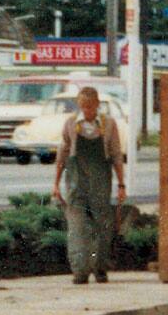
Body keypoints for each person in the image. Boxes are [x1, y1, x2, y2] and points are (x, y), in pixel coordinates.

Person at [51, 84, 128, 284]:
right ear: (79, 105)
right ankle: (80, 271)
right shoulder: (70, 124)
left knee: (102, 227)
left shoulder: (109, 124)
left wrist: (121, 184)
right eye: (84, 107)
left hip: (100, 183)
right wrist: (56, 183)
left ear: (97, 105)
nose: (88, 111)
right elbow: (63, 154)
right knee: (77, 228)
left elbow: (116, 155)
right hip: (76, 184)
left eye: (91, 107)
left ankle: (100, 268)